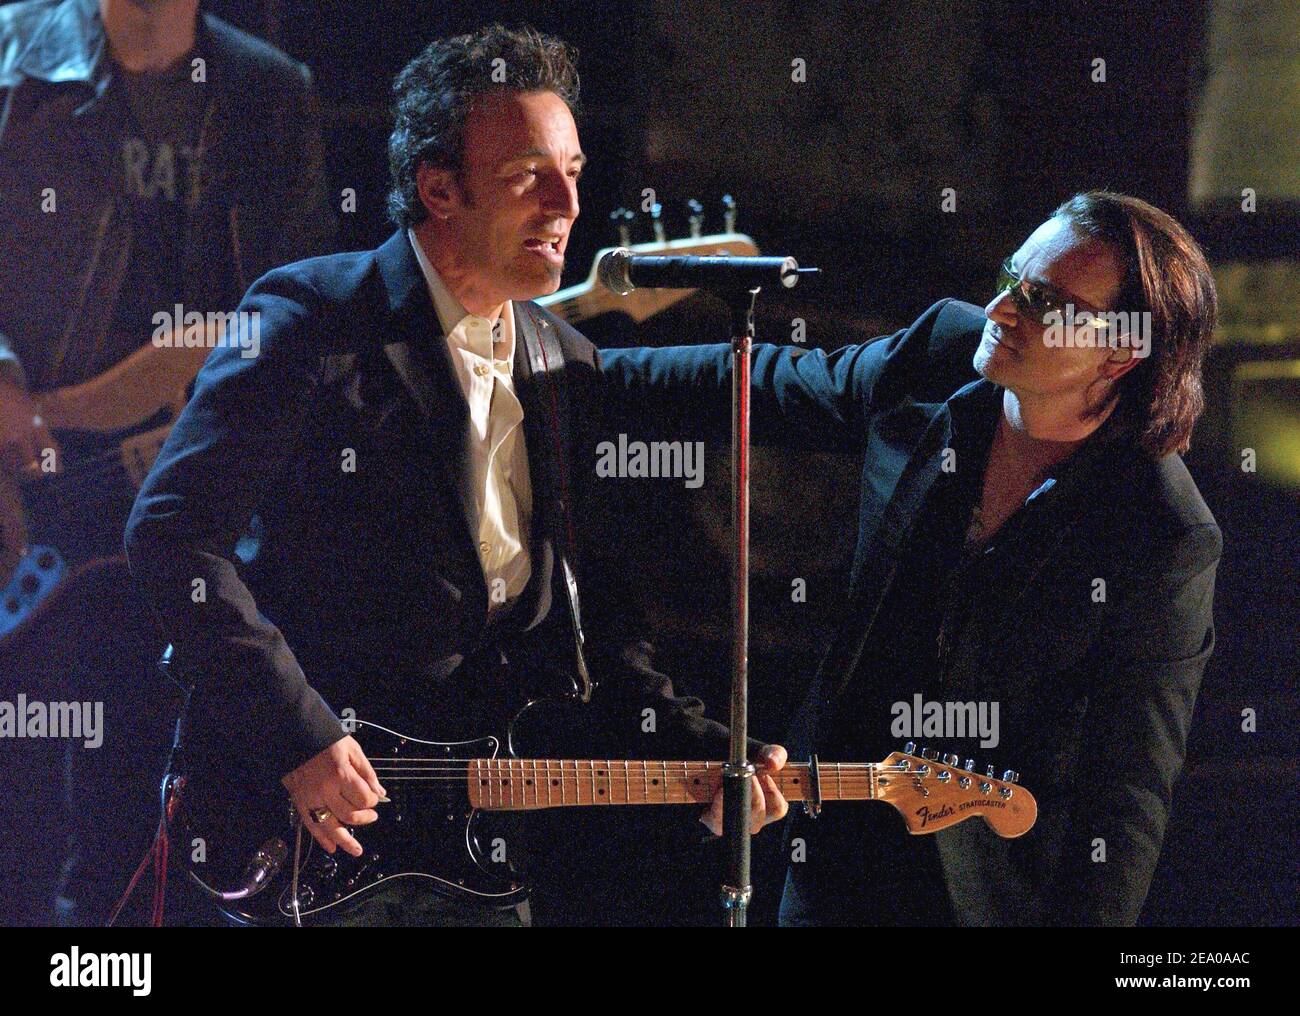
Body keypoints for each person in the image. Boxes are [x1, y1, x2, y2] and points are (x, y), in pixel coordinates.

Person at [124, 23, 788, 928]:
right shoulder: (311, 318)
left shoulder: (562, 361)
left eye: (575, 171)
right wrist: (299, 734)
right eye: (529, 178)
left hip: (466, 847)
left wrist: (697, 745)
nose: (566, 203)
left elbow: (589, 625)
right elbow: (172, 533)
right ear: (439, 189)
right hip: (294, 823)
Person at [600, 191, 1221, 925]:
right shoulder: (939, 359)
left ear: (1121, 352)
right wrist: (554, 368)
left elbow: (1126, 800)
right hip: (836, 845)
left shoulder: (1162, 532)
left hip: (984, 891)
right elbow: (754, 382)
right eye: (1010, 279)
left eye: (1044, 303)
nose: (1000, 311)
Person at [0, 0, 333, 924]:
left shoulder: (268, 93)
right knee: (25, 821)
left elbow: (298, 307)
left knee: (136, 838)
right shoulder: (14, 47)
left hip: (175, 517)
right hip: (26, 493)